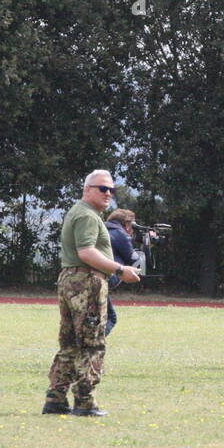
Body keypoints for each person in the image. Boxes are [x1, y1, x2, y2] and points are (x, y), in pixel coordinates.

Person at [43, 170, 141, 417]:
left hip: (71, 279)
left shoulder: (81, 212)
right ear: (87, 189)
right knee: (92, 342)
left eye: (111, 190)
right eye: (102, 189)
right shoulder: (87, 215)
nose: (108, 194)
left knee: (70, 344)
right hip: (86, 281)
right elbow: (86, 252)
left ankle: (56, 398)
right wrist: (120, 269)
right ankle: (84, 401)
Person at [103, 208, 138, 337]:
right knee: (111, 318)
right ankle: (92, 345)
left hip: (88, 276)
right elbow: (134, 260)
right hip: (107, 277)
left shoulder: (102, 229)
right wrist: (148, 245)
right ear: (127, 224)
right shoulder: (120, 234)